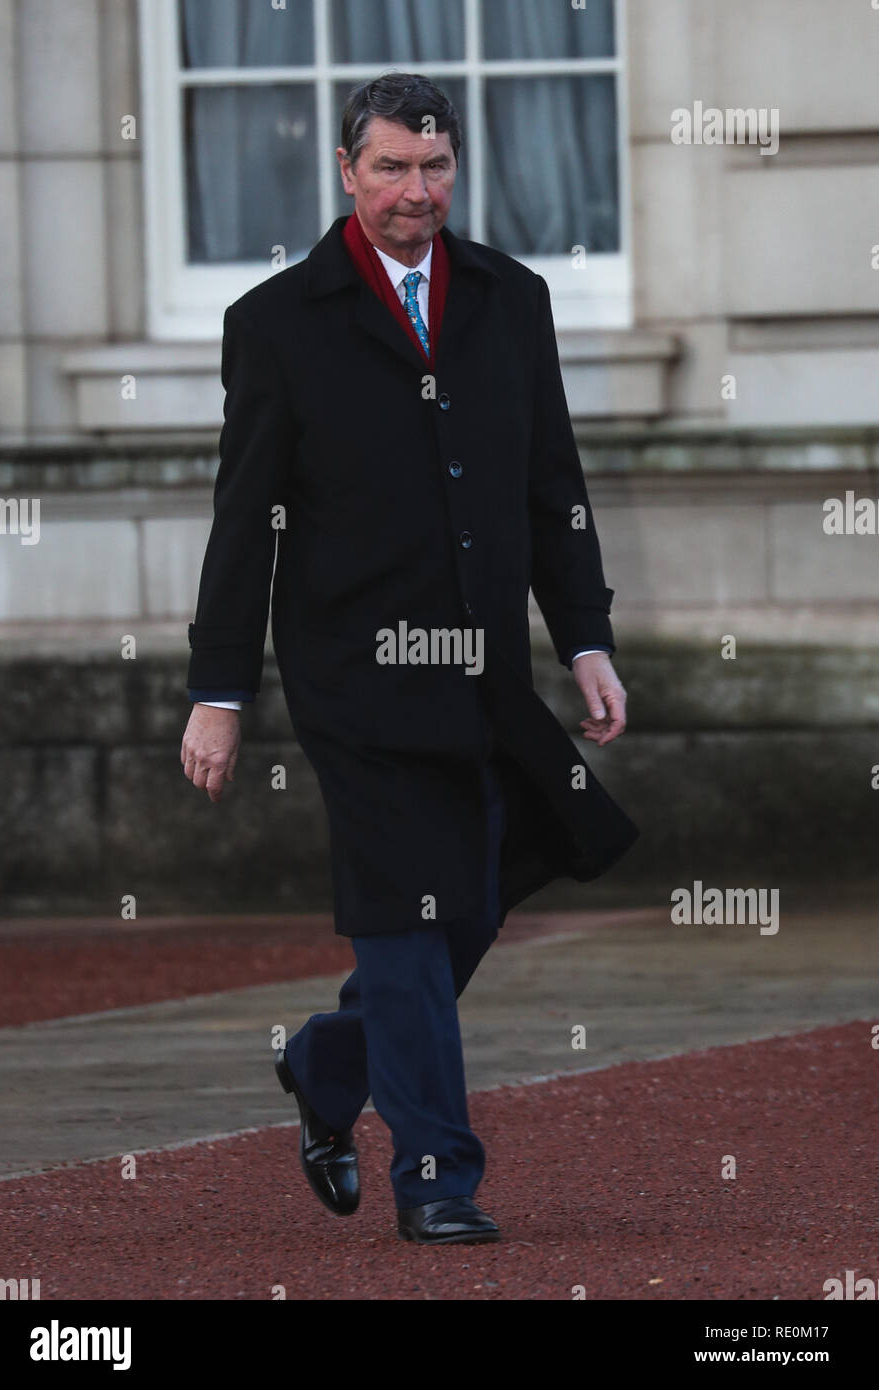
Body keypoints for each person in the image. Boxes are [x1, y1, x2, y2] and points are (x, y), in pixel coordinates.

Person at [181, 72, 638, 1246]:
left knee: (482, 890)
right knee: (402, 907)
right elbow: (243, 525)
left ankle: (331, 1064)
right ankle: (435, 1170)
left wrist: (581, 634)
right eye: (390, 167)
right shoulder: (276, 323)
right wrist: (218, 692)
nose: (415, 191)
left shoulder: (510, 299)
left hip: (480, 670)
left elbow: (552, 488)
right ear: (347, 171)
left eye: (434, 168)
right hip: (352, 676)